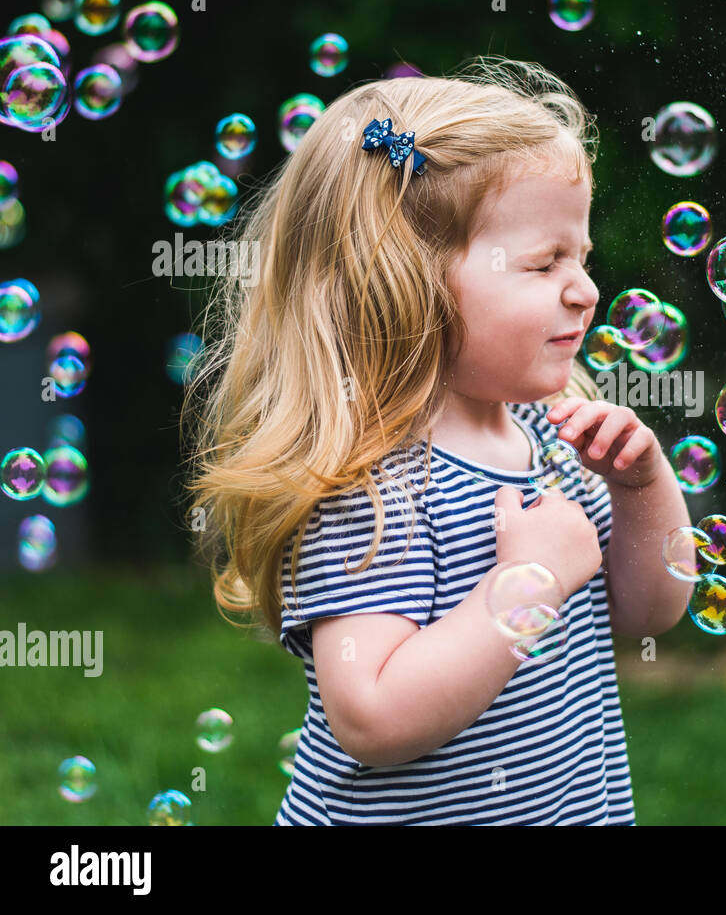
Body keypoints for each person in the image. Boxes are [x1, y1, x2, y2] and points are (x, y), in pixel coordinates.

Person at [181, 57, 692, 824]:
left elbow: (646, 612)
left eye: (580, 256)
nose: (585, 287)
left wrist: (642, 487)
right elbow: (374, 718)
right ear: (406, 277)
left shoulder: (552, 444)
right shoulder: (368, 487)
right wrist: (528, 580)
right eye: (544, 261)